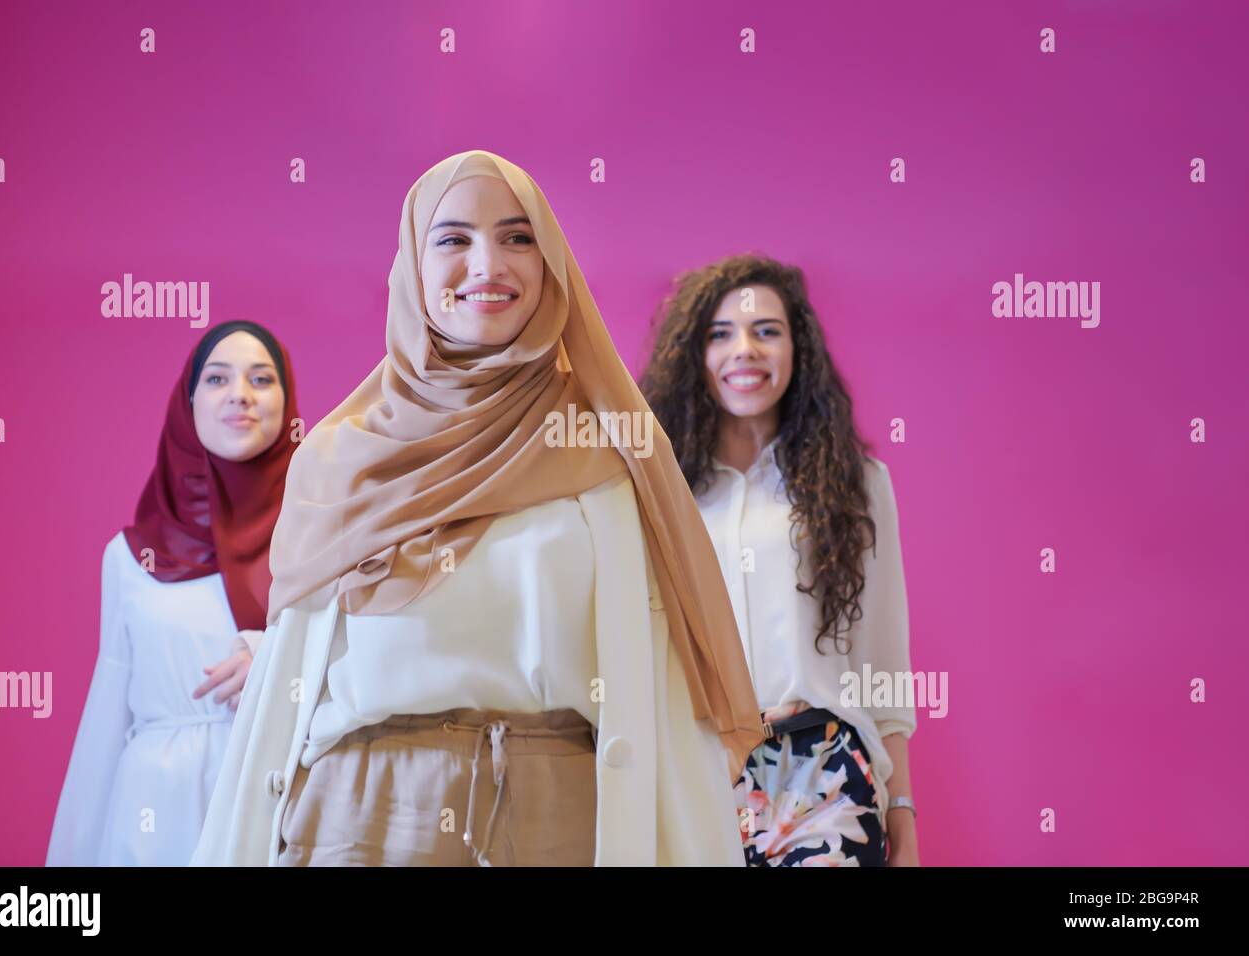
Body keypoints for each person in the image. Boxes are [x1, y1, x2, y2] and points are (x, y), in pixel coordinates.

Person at [191, 150, 762, 867]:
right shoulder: (339, 459)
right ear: (413, 266)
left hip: (557, 818)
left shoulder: (605, 450)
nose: (488, 264)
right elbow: (287, 686)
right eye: (453, 238)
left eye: (519, 237)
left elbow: (659, 681)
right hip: (357, 818)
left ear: (551, 264)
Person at [641, 254, 920, 866]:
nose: (745, 349)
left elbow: (883, 663)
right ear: (695, 355)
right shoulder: (658, 492)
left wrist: (903, 814)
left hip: (821, 774)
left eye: (766, 330)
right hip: (693, 769)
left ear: (798, 350)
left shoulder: (857, 484)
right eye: (721, 334)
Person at [46, 321, 299, 865]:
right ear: (188, 404)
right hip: (155, 814)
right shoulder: (130, 556)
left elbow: (365, 672)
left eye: (261, 378)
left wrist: (279, 660)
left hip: (279, 800)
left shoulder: (321, 539)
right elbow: (108, 711)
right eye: (217, 379)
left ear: (287, 403)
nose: (240, 394)